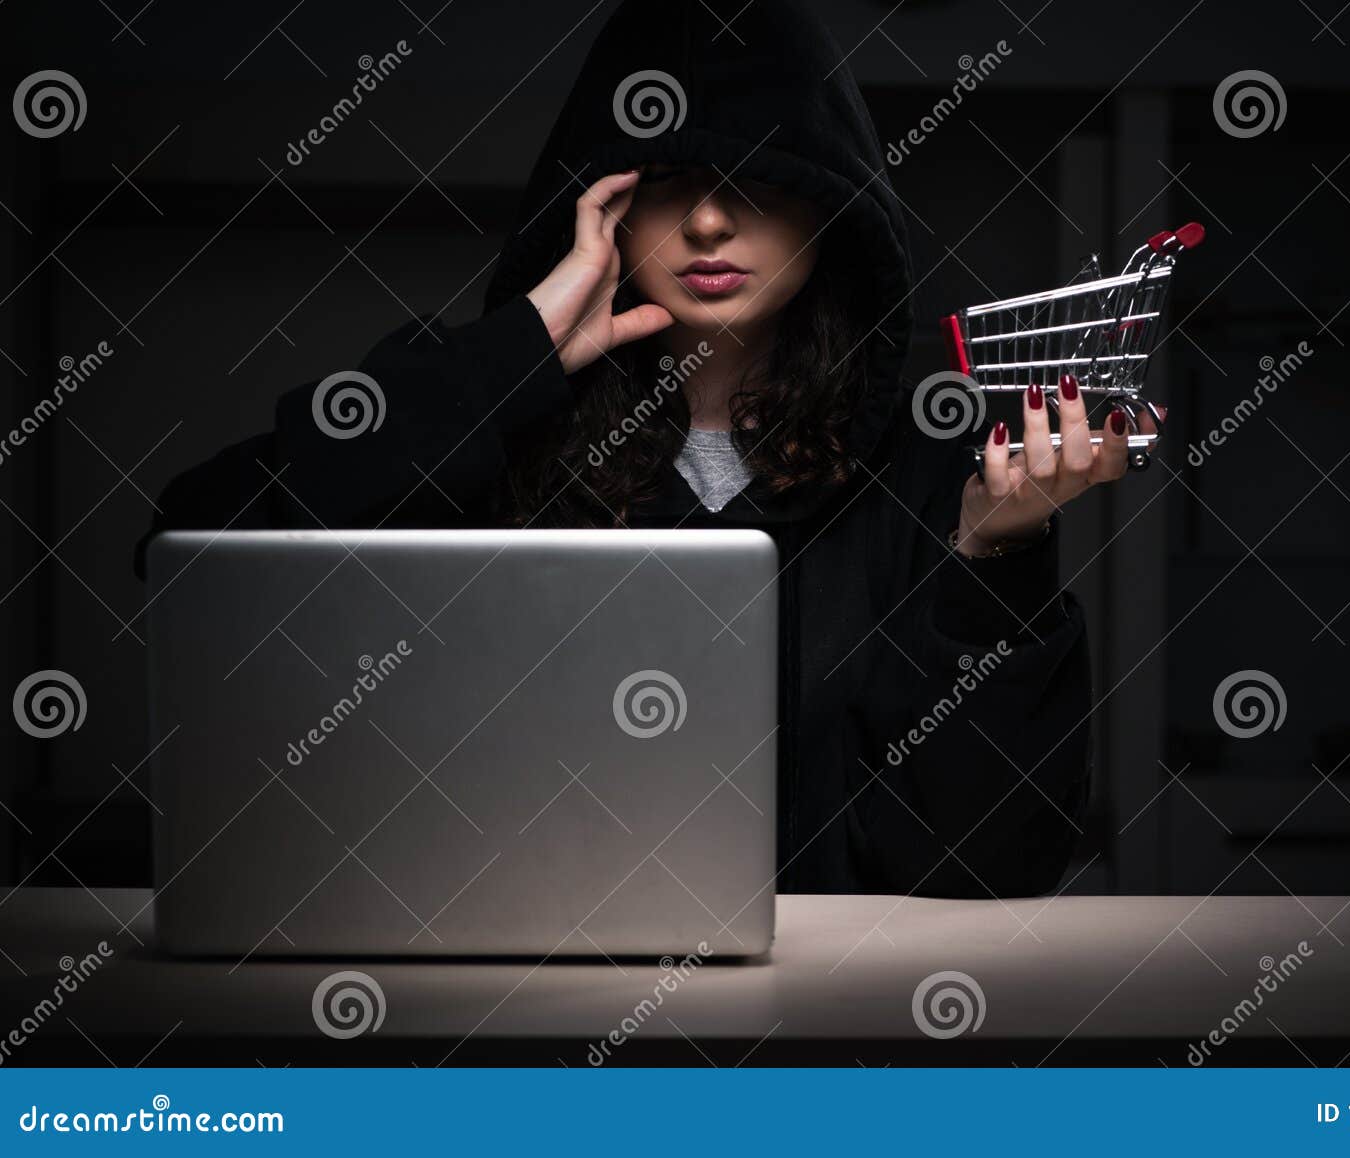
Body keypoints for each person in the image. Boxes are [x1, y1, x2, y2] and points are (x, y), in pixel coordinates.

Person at [139, 0, 1156, 897]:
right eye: (667, 184)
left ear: (828, 207)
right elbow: (189, 542)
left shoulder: (929, 468)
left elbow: (987, 864)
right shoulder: (498, 436)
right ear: (605, 211)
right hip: (523, 1014)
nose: (711, 221)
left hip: (822, 1039)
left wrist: (990, 561)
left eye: (758, 182)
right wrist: (512, 357)